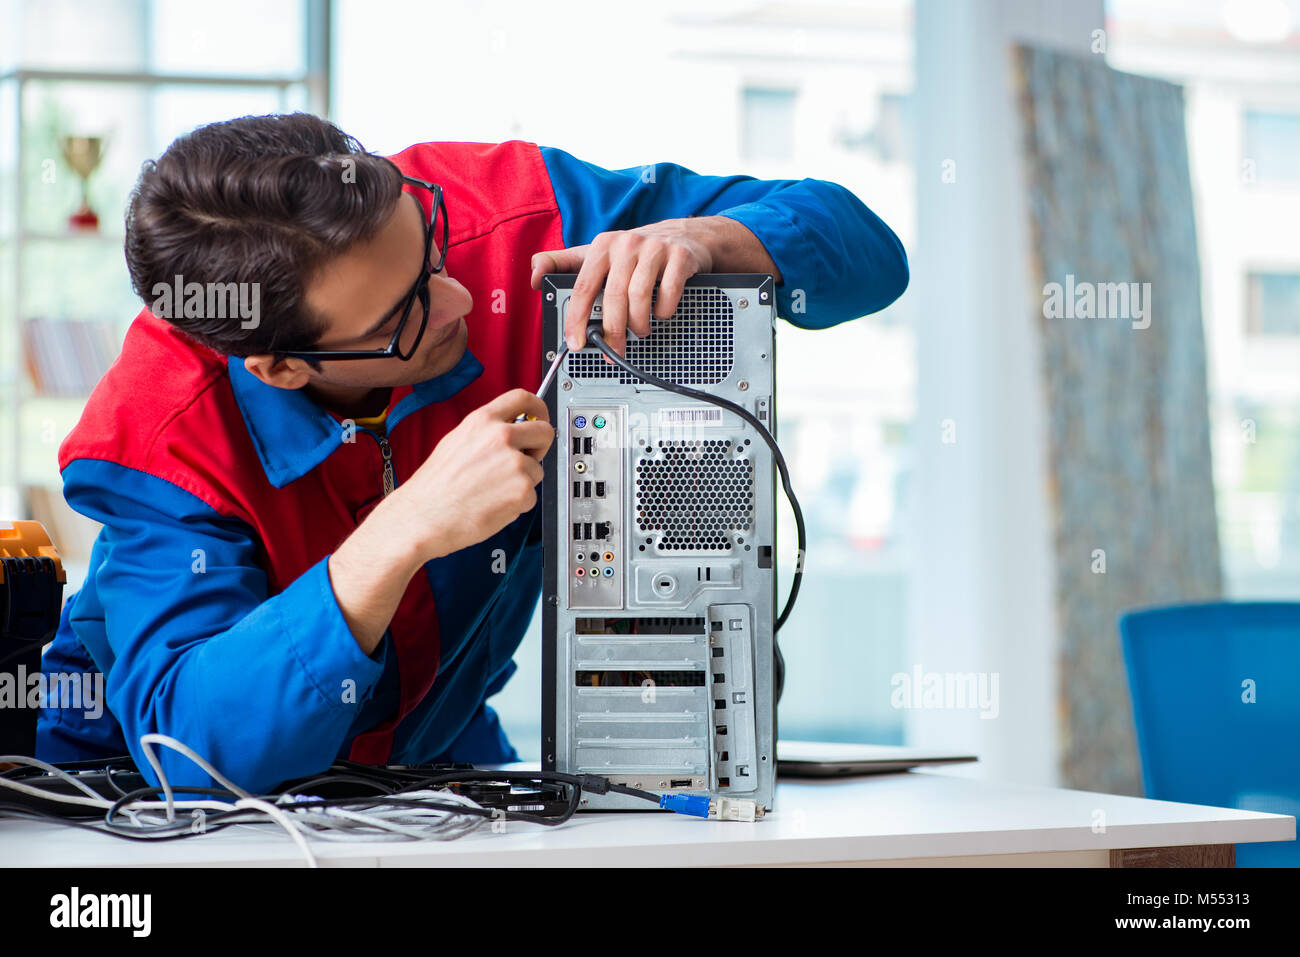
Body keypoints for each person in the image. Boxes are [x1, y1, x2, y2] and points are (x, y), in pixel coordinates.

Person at [36, 112, 909, 792]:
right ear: (279, 365)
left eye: (432, 245)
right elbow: (190, 748)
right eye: (405, 314)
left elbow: (870, 249)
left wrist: (713, 243)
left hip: (432, 771)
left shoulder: (525, 218)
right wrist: (401, 530)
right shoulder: (157, 430)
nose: (458, 298)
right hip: (132, 808)